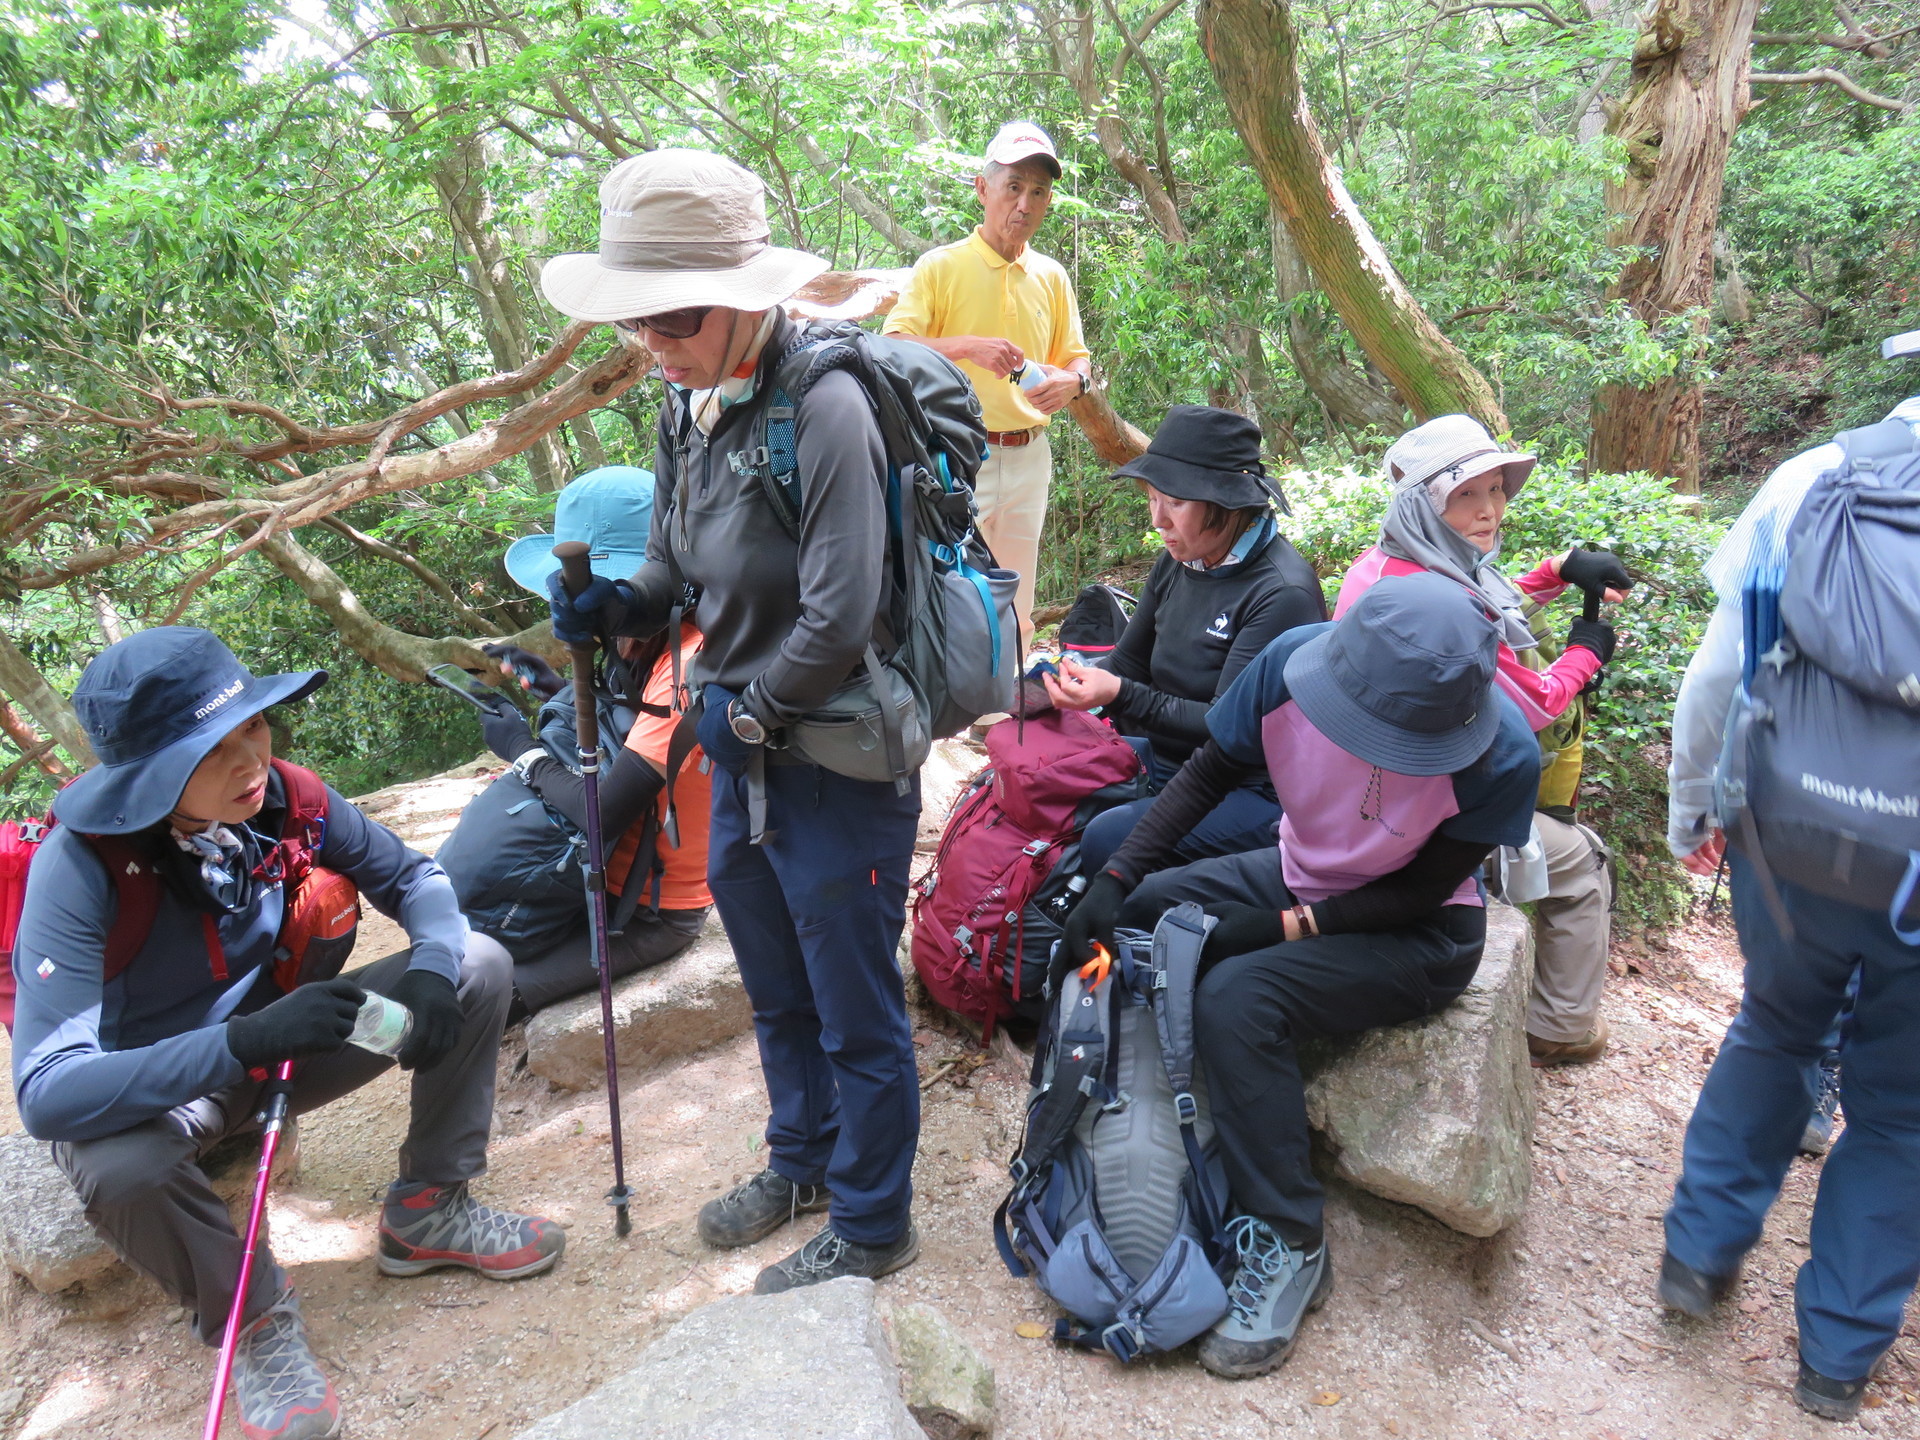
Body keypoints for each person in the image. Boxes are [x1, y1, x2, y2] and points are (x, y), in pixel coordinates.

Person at [10, 628, 563, 1440]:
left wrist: (429, 970)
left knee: (476, 964)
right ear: (147, 776)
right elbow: (48, 1091)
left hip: (291, 1048)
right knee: (119, 1167)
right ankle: (253, 1319)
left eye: (254, 727)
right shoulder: (81, 869)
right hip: (175, 1090)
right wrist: (240, 1042)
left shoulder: (285, 800)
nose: (249, 762)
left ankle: (429, 1209)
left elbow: (416, 877)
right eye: (211, 751)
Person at [539, 149, 922, 1292]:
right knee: (774, 984)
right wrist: (620, 607)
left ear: (744, 294)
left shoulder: (827, 405)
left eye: (674, 315)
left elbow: (843, 611)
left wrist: (747, 720)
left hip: (834, 752)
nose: (653, 340)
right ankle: (802, 1160)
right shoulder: (687, 406)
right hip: (743, 740)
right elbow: (673, 569)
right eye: (638, 319)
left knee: (854, 1004)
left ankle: (874, 1220)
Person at [1060, 575, 1538, 1379]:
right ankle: (1135, 1136)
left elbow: (1421, 891)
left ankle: (1291, 1239)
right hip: (1298, 871)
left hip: (1419, 931)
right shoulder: (1288, 665)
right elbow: (1208, 774)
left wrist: (1284, 928)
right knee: (1142, 915)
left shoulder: (1504, 755)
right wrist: (1114, 880)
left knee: (1238, 999)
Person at [1660, 387, 1920, 1423]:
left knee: (1774, 1029)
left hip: (1793, 836)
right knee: (1903, 1112)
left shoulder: (1817, 477)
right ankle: (1838, 1358)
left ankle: (1697, 1257)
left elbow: (1722, 670)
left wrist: (1695, 803)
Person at [1334, 415, 1629, 1067]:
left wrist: (1553, 572)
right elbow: (1533, 705)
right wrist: (1586, 652)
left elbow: (1486, 605)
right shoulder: (1437, 600)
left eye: (1495, 489)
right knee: (1583, 861)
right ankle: (1560, 1028)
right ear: (1424, 504)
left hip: (1367, 788)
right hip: (1421, 810)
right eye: (1465, 494)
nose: (1489, 509)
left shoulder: (1382, 567)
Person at [438, 466, 713, 1019]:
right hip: (593, 881)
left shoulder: (689, 662)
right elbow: (626, 725)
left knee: (467, 998)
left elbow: (602, 812)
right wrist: (554, 686)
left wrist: (524, 751)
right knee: (445, 955)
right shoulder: (640, 638)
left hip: (649, 910)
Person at [1041, 406, 1327, 872]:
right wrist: (1064, 681)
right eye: (1152, 498)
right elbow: (1128, 663)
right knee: (1036, 775)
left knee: (1108, 839)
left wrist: (1118, 693)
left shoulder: (1280, 592)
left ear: (1226, 504)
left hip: (1245, 787)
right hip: (1167, 759)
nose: (1159, 520)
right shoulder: (1179, 561)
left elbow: (1224, 726)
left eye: (1175, 503)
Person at [883, 120, 1093, 644]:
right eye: (1013, 187)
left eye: (1038, 192)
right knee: (948, 589)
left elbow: (1077, 358)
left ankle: (1008, 695)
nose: (1024, 204)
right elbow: (892, 347)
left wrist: (1074, 384)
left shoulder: (1051, 276)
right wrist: (966, 347)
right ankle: (945, 692)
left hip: (1029, 453)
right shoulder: (940, 267)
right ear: (983, 189)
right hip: (954, 456)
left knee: (1018, 596)